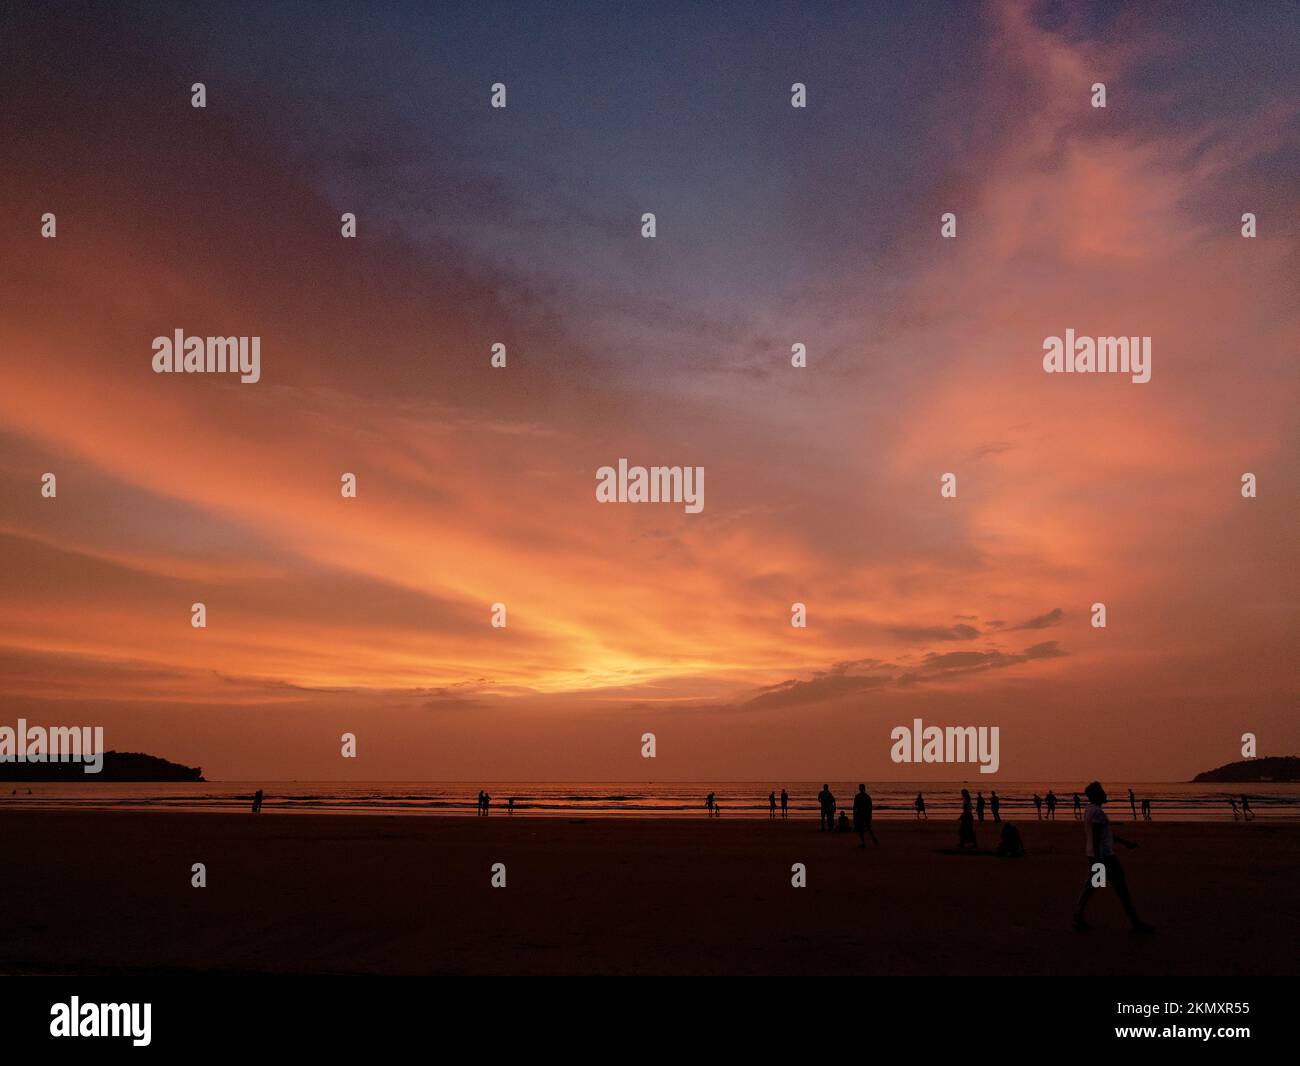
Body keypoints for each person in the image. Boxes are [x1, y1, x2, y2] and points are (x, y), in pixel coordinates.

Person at [1072, 781, 1154, 934]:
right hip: (1105, 858)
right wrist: (1099, 861)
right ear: (1097, 795)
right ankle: (1136, 924)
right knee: (1121, 888)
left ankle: (1077, 916)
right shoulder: (1097, 813)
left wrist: (1125, 843)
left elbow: (1105, 834)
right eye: (1102, 791)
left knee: (1092, 887)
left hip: (1095, 856)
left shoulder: (1089, 810)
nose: (1105, 794)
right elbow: (1097, 838)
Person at [853, 784, 878, 849]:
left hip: (860, 814)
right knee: (868, 828)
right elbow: (870, 807)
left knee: (861, 829)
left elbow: (855, 807)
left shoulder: (858, 796)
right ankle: (873, 838)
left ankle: (864, 842)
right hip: (865, 814)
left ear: (860, 789)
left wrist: (855, 816)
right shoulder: (867, 797)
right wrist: (870, 815)